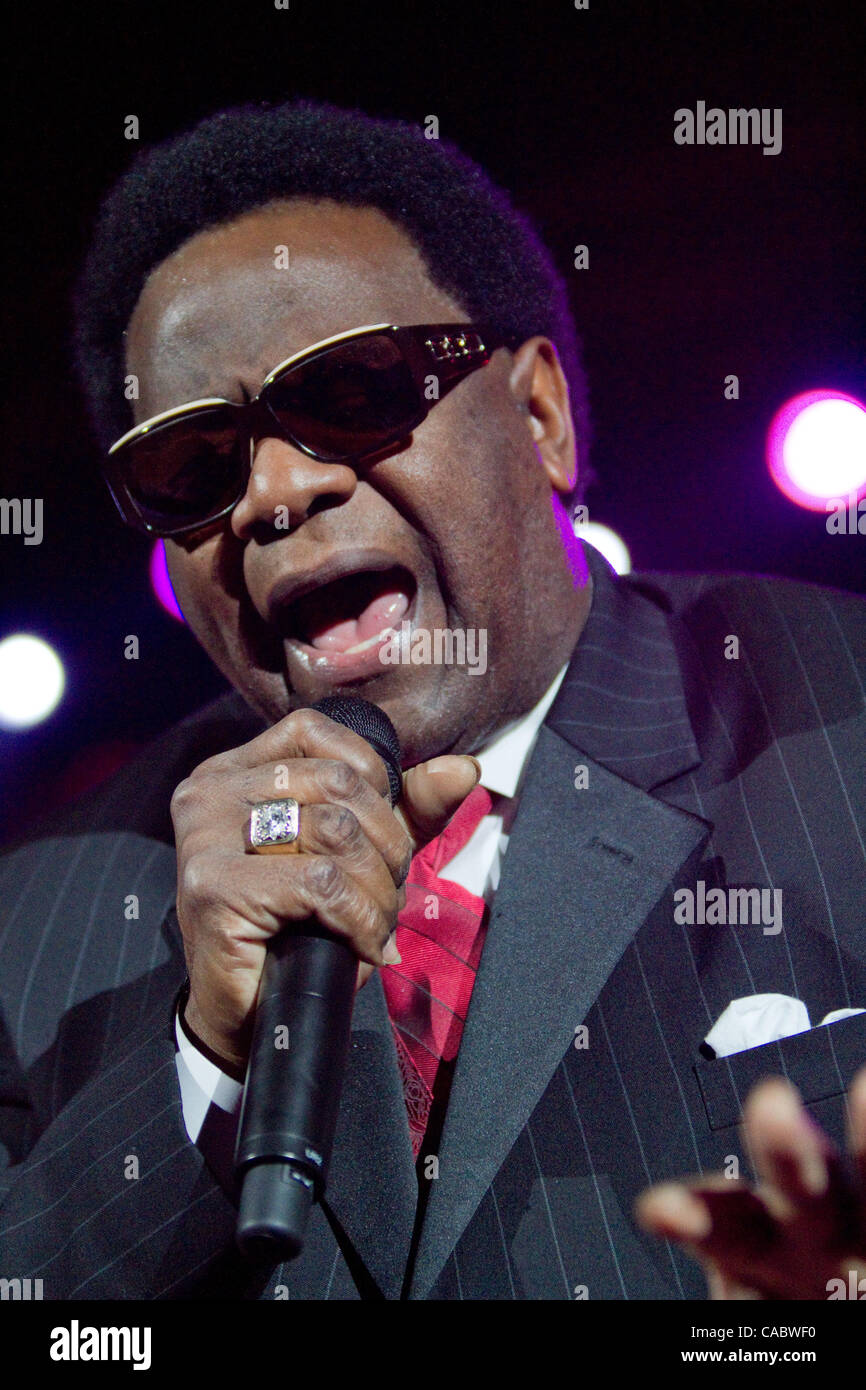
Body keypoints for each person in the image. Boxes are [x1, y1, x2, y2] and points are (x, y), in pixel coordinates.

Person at [0, 100, 864, 1302]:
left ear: (540, 417)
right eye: (191, 467)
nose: (277, 493)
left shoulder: (838, 721)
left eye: (353, 389)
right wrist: (205, 1066)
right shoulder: (35, 918)